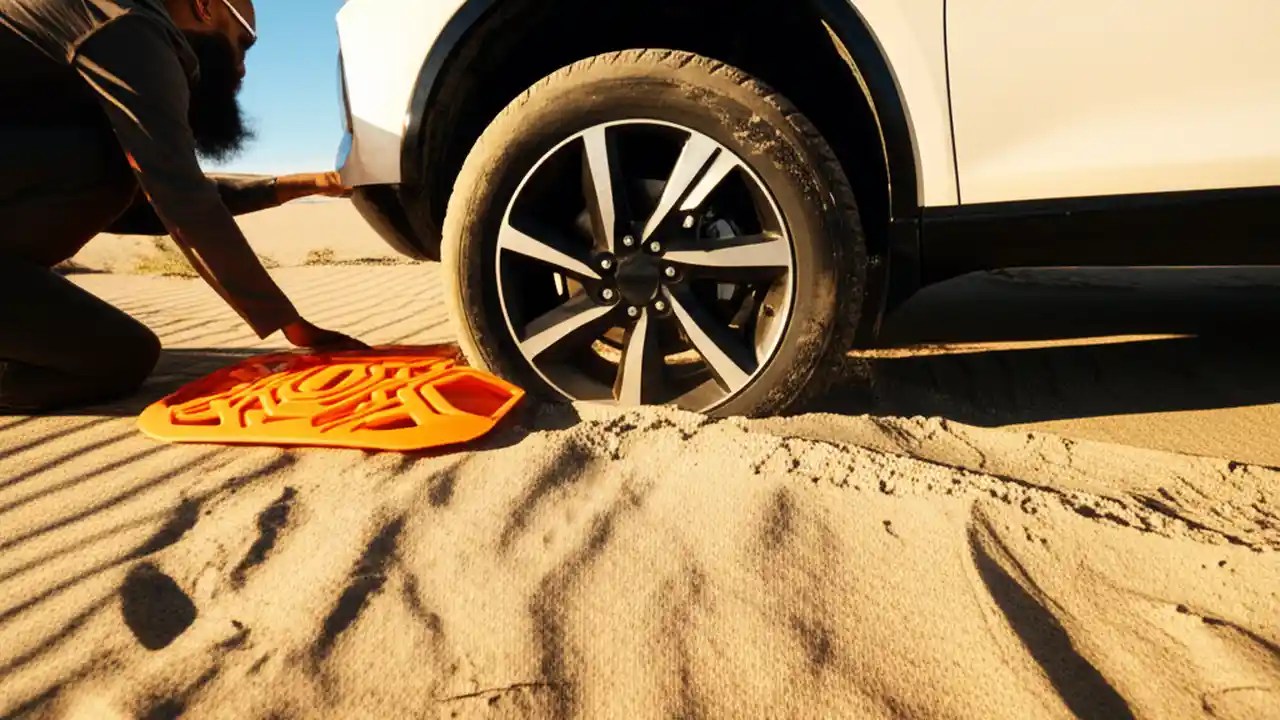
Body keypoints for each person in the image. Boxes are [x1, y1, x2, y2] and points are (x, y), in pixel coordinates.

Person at [0, 0, 367, 413]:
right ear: (205, 7)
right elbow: (176, 192)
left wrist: (300, 185)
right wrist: (293, 326)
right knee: (118, 358)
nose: (243, 68)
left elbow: (154, 198)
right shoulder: (129, 27)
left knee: (121, 350)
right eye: (243, 43)